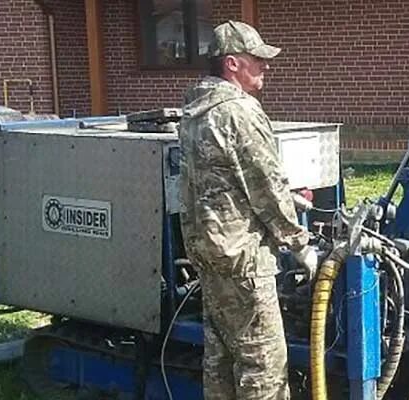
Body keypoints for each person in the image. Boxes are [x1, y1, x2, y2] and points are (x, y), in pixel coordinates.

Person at [178, 20, 317, 400]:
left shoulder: (195, 109)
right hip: (245, 260)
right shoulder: (240, 111)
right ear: (232, 64)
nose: (265, 67)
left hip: (209, 251)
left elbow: (219, 179)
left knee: (221, 359)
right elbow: (265, 186)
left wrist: (291, 197)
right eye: (257, 60)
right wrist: (299, 243)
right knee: (263, 365)